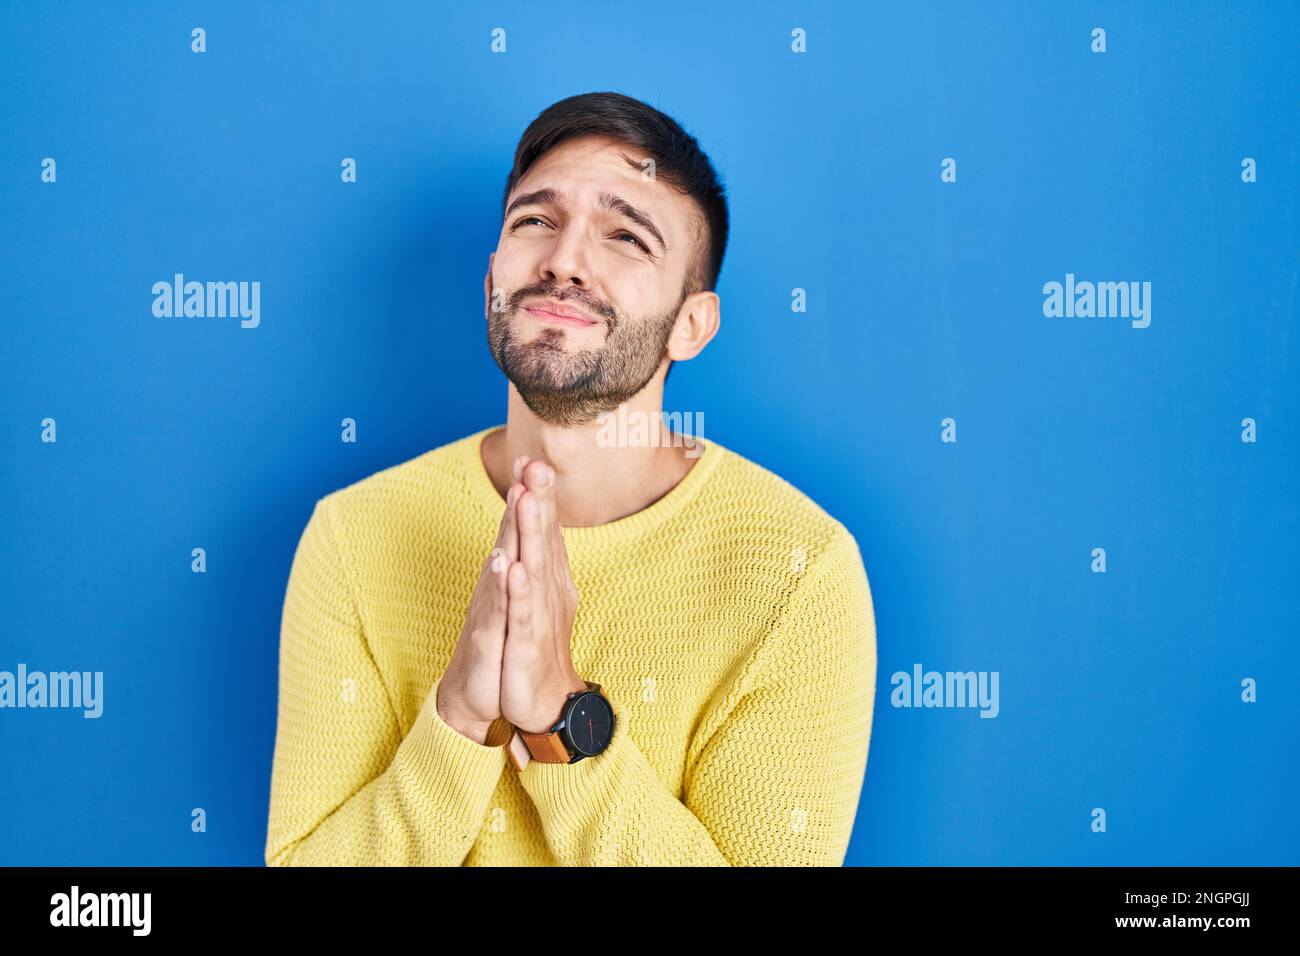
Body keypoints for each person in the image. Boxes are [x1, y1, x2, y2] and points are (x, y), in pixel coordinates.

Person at [264, 90, 877, 866]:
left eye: (626, 235)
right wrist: (457, 718)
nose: (564, 260)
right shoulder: (352, 534)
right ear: (492, 278)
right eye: (535, 221)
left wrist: (563, 718)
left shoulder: (799, 571)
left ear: (692, 324)